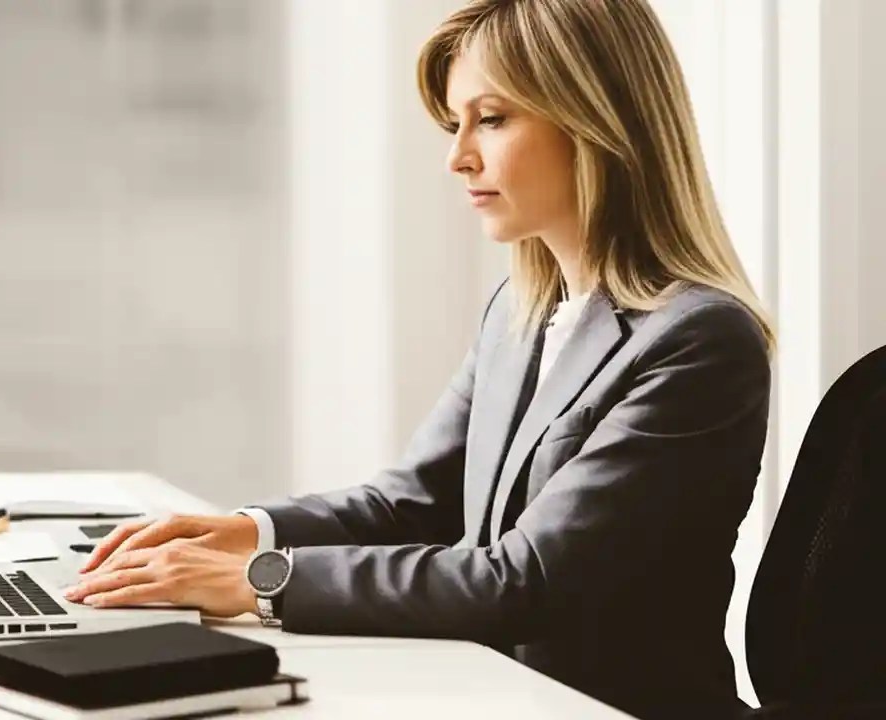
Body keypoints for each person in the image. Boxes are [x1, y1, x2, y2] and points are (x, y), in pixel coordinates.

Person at [64, 1, 774, 718]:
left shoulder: (700, 341)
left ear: (596, 119)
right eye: (455, 124)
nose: (459, 156)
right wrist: (244, 530)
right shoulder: (519, 312)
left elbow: (525, 581)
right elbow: (410, 505)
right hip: (493, 695)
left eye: (492, 119)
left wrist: (258, 577)